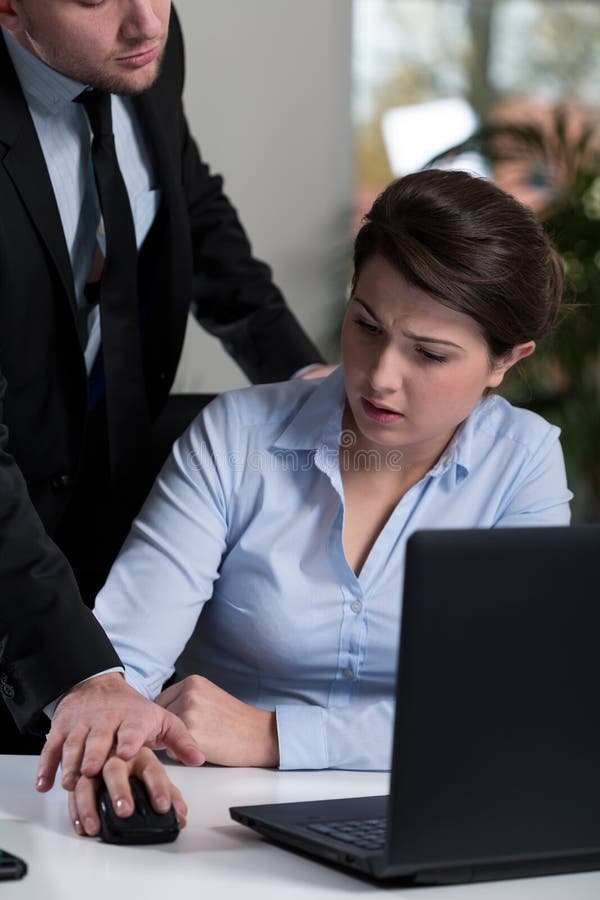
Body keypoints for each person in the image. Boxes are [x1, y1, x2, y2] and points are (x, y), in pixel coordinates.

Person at [66, 168, 572, 834]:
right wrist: (116, 725)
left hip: (433, 818)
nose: (381, 376)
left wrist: (275, 735)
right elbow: (121, 663)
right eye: (366, 325)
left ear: (507, 361)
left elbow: (507, 714)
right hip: (215, 819)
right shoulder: (237, 435)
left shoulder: (522, 461)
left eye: (430, 354)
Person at [0, 0, 330, 791]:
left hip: (99, 494)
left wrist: (304, 379)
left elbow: (187, 203)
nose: (145, 21)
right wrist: (79, 671)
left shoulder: (142, 49)